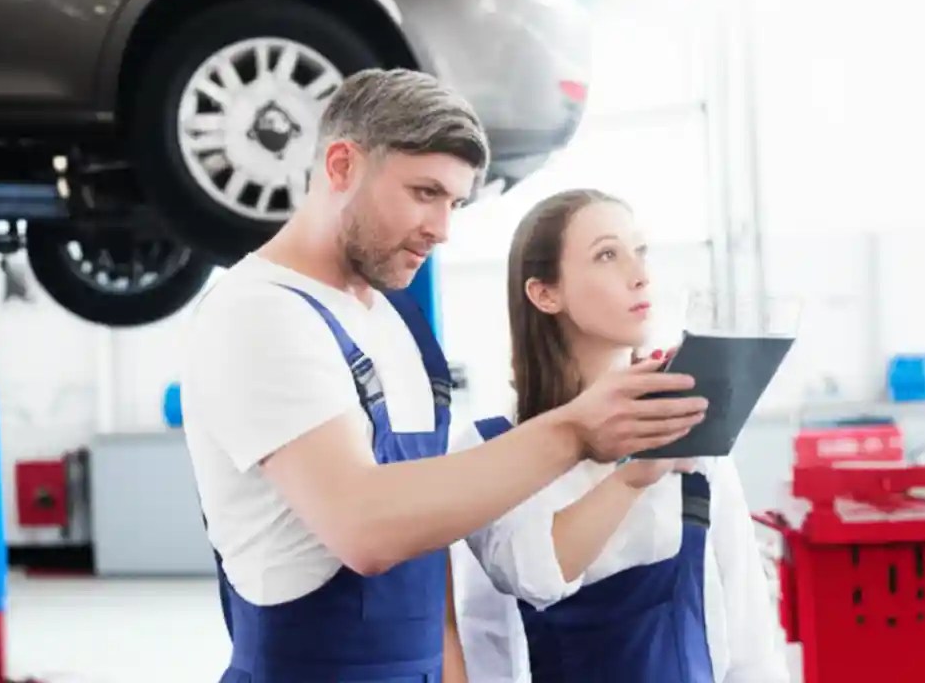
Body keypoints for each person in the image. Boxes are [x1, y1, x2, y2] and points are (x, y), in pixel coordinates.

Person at [180, 69, 709, 683]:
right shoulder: (259, 313)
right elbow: (367, 529)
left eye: (454, 203)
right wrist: (578, 432)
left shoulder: (395, 320)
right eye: (423, 192)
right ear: (343, 165)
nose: (442, 228)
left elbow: (433, 568)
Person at [448, 189, 790, 682]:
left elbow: (749, 639)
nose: (640, 274)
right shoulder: (488, 449)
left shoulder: (690, 425)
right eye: (608, 255)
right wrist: (636, 476)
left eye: (641, 251)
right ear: (545, 293)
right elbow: (533, 575)